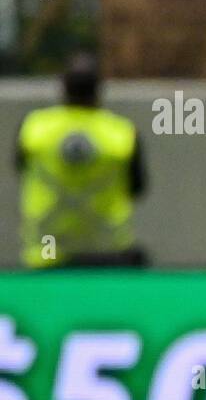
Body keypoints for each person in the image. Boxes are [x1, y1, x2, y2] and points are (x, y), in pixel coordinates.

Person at [14, 51, 147, 268]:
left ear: (63, 87)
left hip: (46, 252)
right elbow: (138, 188)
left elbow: (20, 169)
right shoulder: (122, 133)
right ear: (98, 89)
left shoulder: (33, 128)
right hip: (108, 253)